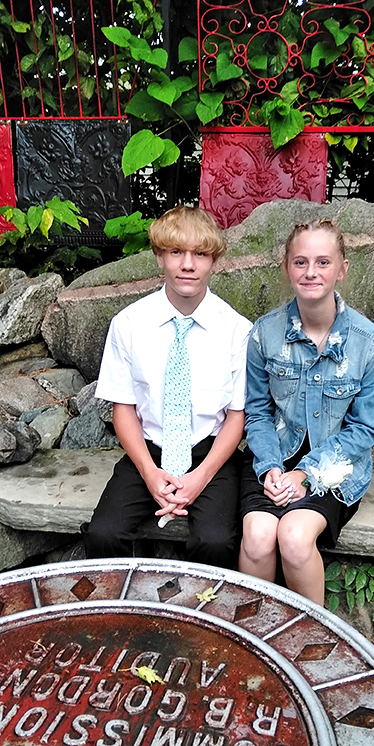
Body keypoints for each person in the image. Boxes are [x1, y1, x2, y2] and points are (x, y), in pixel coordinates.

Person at [83, 205, 252, 568]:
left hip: (211, 454)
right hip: (149, 450)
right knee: (103, 533)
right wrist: (148, 471)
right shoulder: (129, 323)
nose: (188, 265)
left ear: (214, 262)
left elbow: (236, 417)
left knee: (216, 539)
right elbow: (123, 408)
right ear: (159, 257)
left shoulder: (237, 330)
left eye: (200, 254)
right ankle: (119, 610)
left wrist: (198, 478)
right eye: (176, 252)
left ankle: (206, 616)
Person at [239, 219, 374, 605]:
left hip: (335, 467)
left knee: (294, 537)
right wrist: (271, 466)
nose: (311, 272)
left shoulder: (367, 342)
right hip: (273, 459)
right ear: (287, 267)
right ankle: (253, 636)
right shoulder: (264, 334)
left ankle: (313, 637)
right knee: (257, 536)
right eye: (300, 261)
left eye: (323, 262)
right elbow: (256, 411)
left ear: (342, 268)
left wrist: (307, 473)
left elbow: (364, 429)